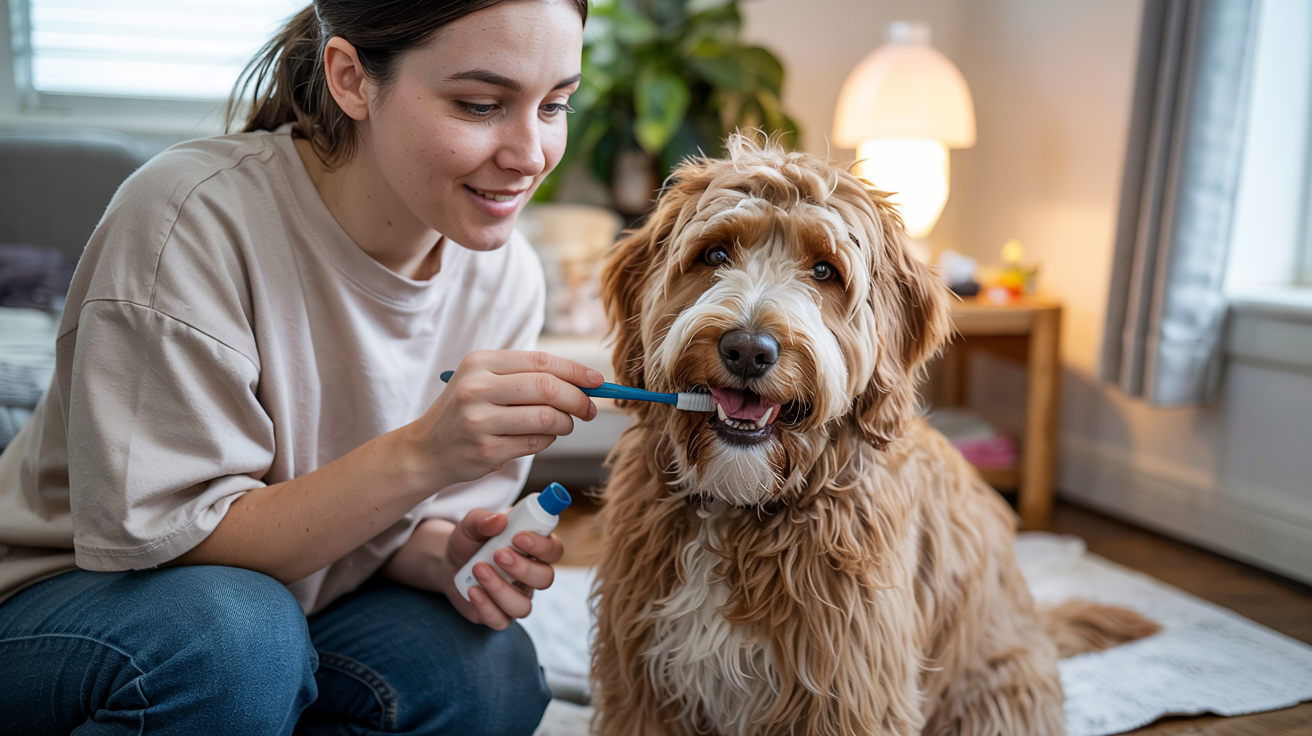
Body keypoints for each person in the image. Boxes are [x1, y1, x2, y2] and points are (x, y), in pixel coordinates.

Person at [0, 1, 600, 733]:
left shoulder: (504, 276)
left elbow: (385, 532)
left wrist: (444, 555)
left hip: (292, 603)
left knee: (487, 673)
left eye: (556, 104)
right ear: (350, 79)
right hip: (75, 598)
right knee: (237, 644)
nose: (531, 153)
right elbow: (171, 544)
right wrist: (422, 454)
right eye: (480, 104)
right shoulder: (186, 219)